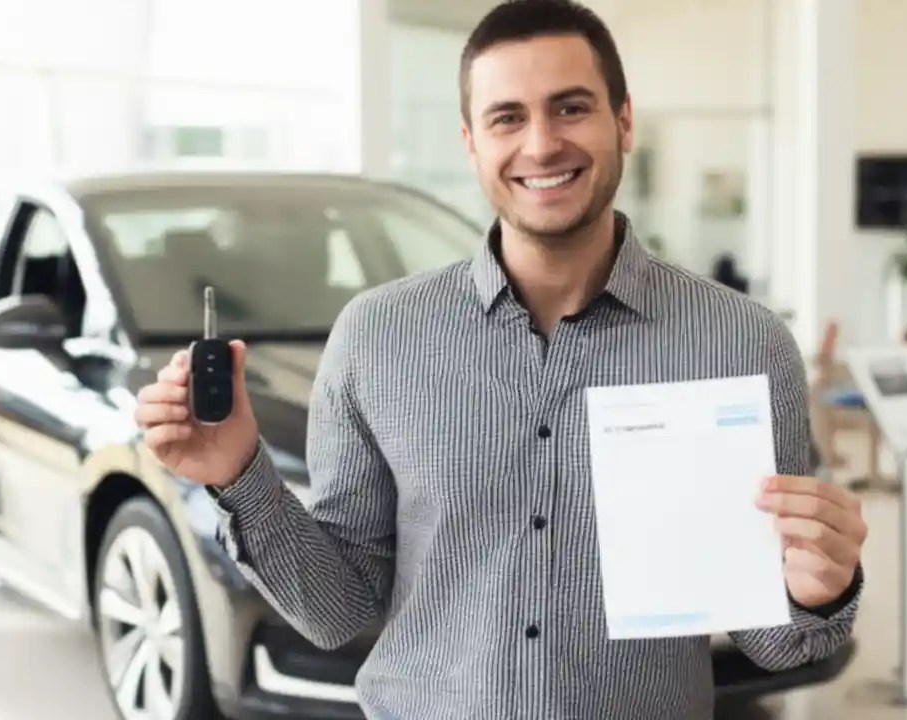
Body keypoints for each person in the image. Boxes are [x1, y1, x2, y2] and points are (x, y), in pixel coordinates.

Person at [135, 1, 868, 717]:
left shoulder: (741, 344)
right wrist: (238, 474)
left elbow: (775, 642)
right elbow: (338, 610)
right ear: (472, 142)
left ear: (624, 121)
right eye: (508, 117)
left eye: (571, 107)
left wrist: (820, 587)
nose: (541, 144)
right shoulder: (377, 339)